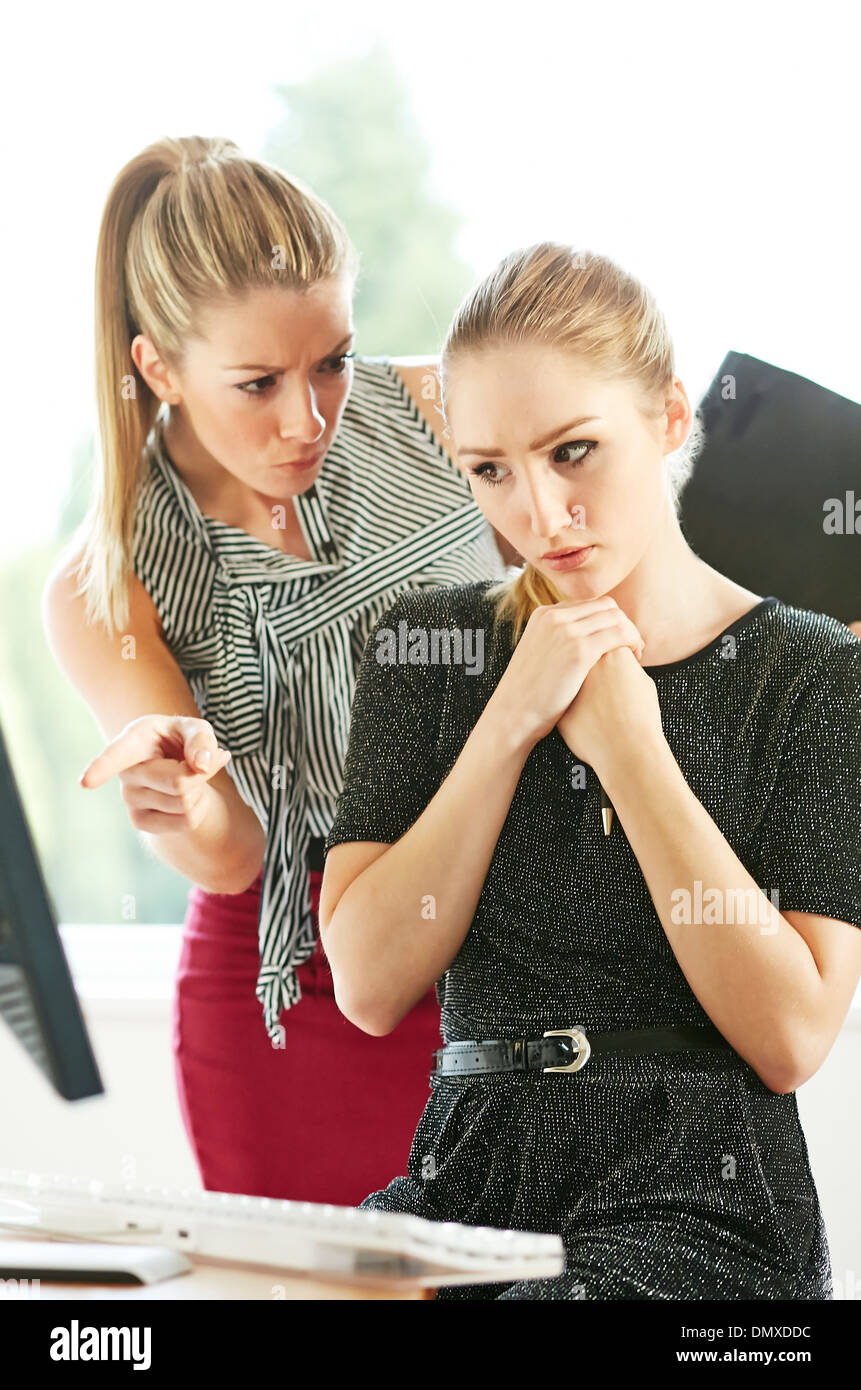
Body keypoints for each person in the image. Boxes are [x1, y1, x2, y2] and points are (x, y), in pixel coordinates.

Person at [320, 242, 861, 1299]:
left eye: (573, 452)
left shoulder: (816, 676)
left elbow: (794, 1035)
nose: (536, 514)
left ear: (667, 417)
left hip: (700, 1198)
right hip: (465, 1174)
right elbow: (371, 986)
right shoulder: (425, 649)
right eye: (490, 469)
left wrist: (631, 745)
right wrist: (510, 719)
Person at [41, 135, 516, 1205]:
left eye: (333, 361)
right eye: (256, 382)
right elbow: (232, 854)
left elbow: (608, 577)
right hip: (292, 1001)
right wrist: (180, 799)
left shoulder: (446, 412)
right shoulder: (105, 586)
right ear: (157, 364)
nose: (307, 420)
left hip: (512, 960)